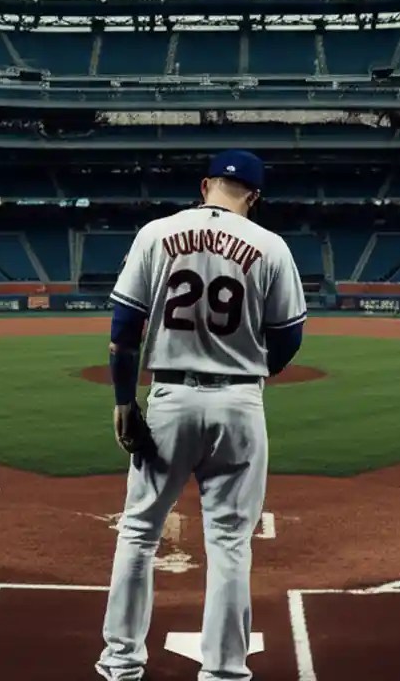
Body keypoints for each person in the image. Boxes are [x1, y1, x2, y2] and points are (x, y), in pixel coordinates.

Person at [96, 150, 307, 681]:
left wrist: (125, 401)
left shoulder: (156, 233)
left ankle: (121, 664)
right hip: (239, 404)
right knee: (232, 543)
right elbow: (288, 340)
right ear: (254, 197)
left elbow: (124, 332)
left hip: (170, 397)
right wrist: (246, 367)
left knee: (140, 533)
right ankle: (224, 672)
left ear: (205, 184)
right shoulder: (271, 246)